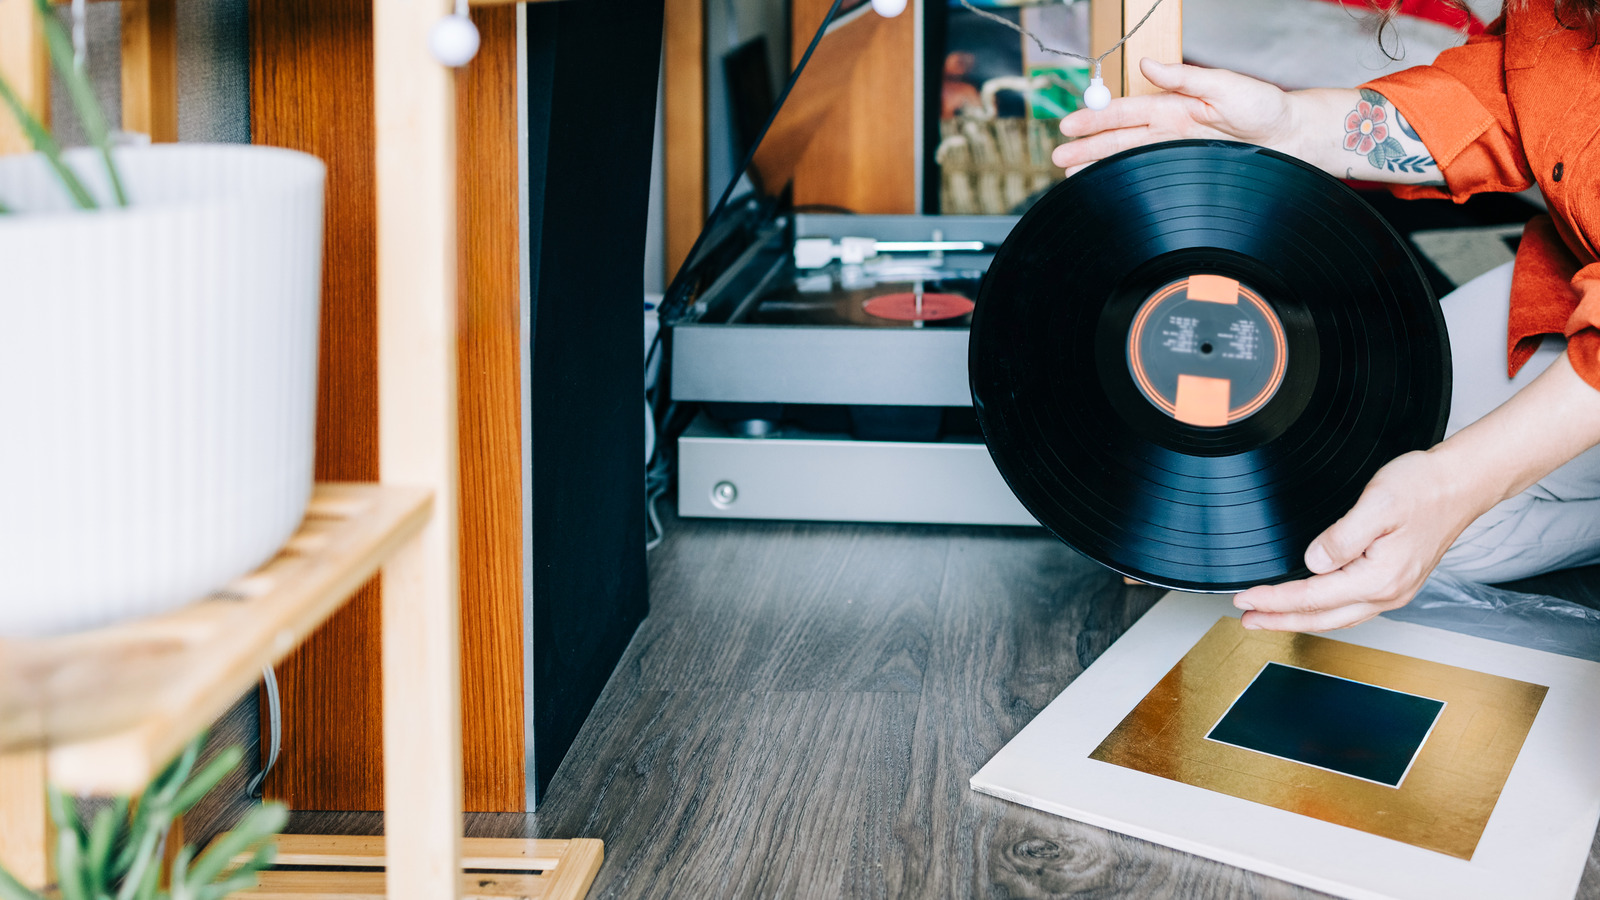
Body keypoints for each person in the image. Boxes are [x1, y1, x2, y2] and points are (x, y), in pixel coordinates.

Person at [1052, 0, 1600, 632]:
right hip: (1572, 275)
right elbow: (1513, 97)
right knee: (1374, 488)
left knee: (1451, 535)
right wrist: (1293, 126)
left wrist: (1459, 484)